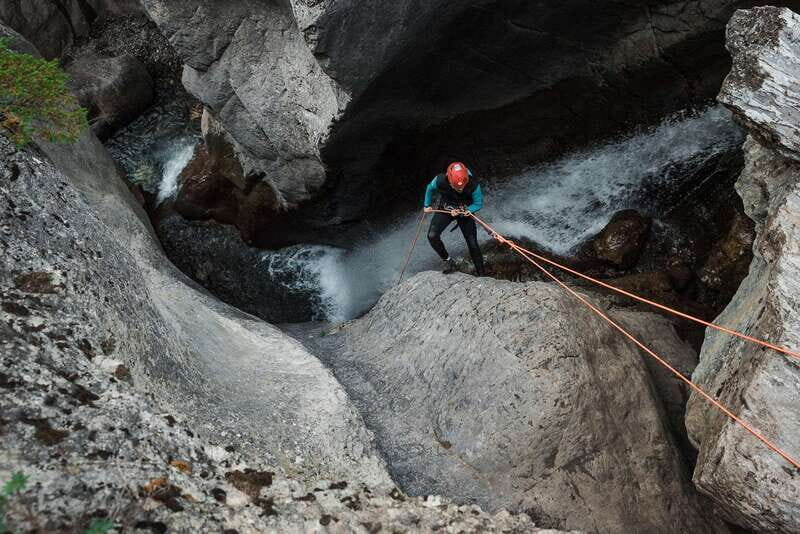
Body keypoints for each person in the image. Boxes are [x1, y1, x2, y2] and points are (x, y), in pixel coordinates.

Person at [423, 162, 486, 276]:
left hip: (465, 211)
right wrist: (427, 205)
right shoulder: (440, 180)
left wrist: (468, 210)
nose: (460, 189)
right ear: (450, 180)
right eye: (457, 187)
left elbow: (478, 203)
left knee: (473, 244)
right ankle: (449, 262)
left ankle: (482, 275)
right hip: (447, 208)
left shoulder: (473, 184)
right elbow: (429, 188)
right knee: (432, 236)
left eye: (462, 187)